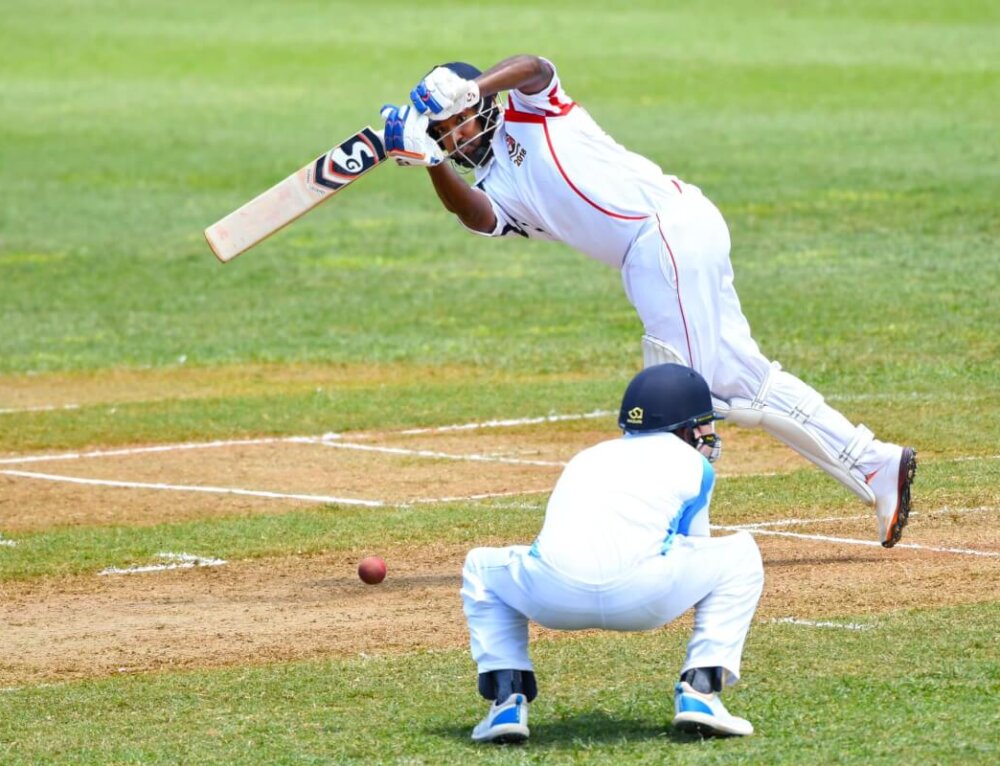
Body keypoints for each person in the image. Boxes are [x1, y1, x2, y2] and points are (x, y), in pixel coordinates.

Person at [380, 55, 917, 548]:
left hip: (666, 233)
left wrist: (468, 87)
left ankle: (680, 541)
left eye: (455, 123)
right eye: (440, 134)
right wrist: (430, 161)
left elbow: (533, 66)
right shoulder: (494, 187)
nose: (451, 137)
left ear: (479, 106)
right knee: (740, 381)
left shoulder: (532, 110)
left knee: (676, 395)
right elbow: (474, 215)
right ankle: (874, 464)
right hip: (655, 252)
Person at [460, 363, 764, 742]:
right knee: (740, 553)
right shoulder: (694, 465)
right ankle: (700, 692)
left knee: (480, 564)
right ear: (685, 426)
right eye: (701, 423)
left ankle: (506, 700)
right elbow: (694, 544)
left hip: (552, 597)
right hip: (644, 599)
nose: (706, 433)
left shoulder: (588, 455)